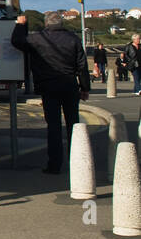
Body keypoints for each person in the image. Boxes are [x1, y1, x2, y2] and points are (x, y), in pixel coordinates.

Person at [10, 12, 91, 174]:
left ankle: (54, 165)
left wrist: (20, 24)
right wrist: (84, 88)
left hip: (48, 87)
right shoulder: (73, 39)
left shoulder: (38, 38)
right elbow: (82, 66)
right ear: (61, 24)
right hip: (69, 85)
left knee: (53, 126)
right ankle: (78, 164)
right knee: (73, 125)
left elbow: (17, 42)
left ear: (47, 24)